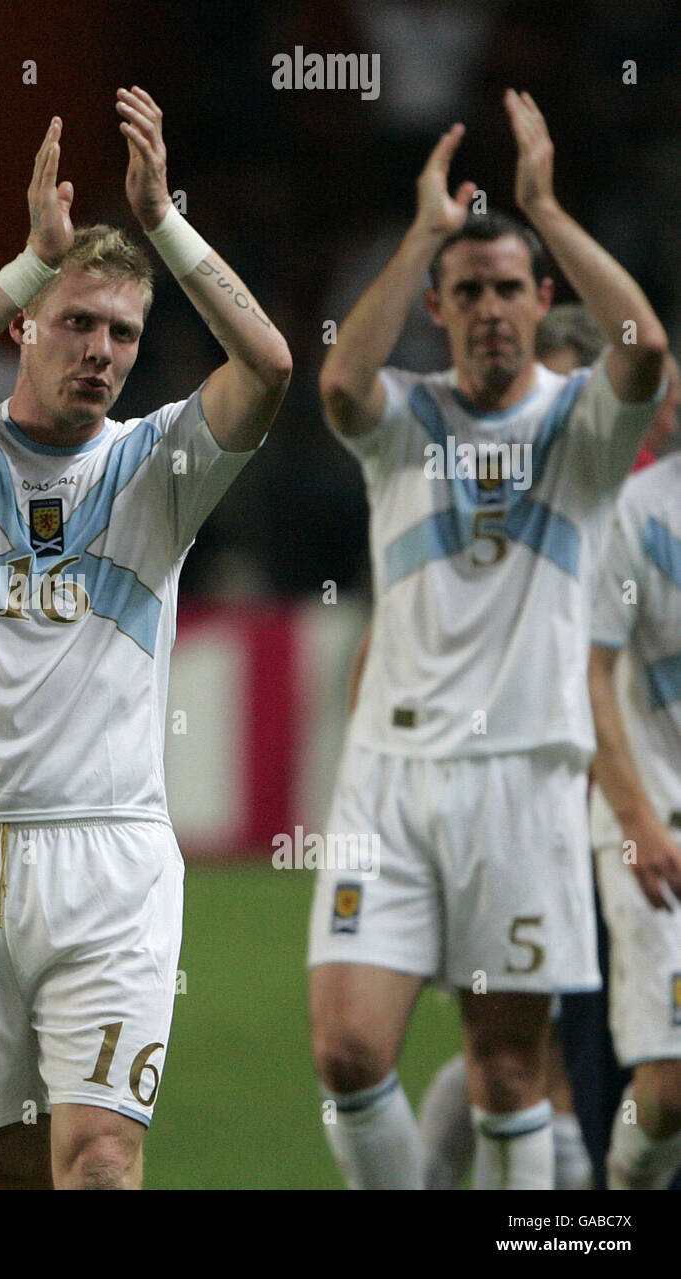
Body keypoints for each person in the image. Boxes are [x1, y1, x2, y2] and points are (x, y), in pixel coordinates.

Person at [0, 87, 290, 1189]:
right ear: (23, 325)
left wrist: (165, 224)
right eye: (75, 321)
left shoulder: (159, 469)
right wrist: (30, 255)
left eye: (121, 332)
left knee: (99, 1155)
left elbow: (271, 365)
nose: (100, 350)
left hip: (107, 854)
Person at [309, 89, 667, 1189]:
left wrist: (546, 208)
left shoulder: (579, 432)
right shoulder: (404, 420)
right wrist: (422, 229)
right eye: (466, 293)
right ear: (438, 308)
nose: (491, 310)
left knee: (509, 1070)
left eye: (509, 289)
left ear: (538, 294)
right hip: (388, 776)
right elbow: (335, 380)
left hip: (521, 776)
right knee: (348, 1050)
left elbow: (642, 346)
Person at [589, 441, 681, 1189]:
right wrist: (634, 817)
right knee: (671, 1082)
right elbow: (590, 667)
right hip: (659, 821)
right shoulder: (642, 510)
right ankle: (621, 1189)